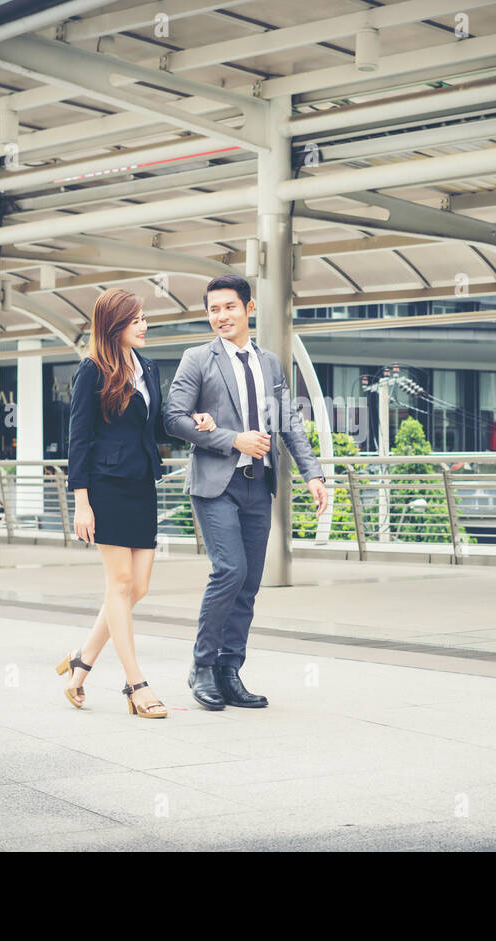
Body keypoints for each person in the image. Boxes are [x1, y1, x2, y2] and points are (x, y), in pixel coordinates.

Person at [163, 274, 330, 710]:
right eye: (213, 309)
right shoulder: (196, 358)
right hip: (216, 484)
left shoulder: (270, 363)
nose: (221, 316)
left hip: (260, 484)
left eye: (229, 307)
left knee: (249, 583)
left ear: (248, 308)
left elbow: (289, 420)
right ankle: (201, 667)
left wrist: (313, 473)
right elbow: (174, 418)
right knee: (229, 571)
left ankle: (228, 670)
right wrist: (230, 439)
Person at [56, 287, 215, 718]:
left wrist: (195, 418)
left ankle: (80, 662)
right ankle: (135, 684)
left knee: (136, 587)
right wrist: (81, 503)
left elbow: (153, 429)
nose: (144, 325)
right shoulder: (91, 370)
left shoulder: (146, 366)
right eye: (136, 319)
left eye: (144, 317)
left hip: (142, 483)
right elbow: (80, 440)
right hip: (106, 487)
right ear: (114, 325)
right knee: (120, 584)